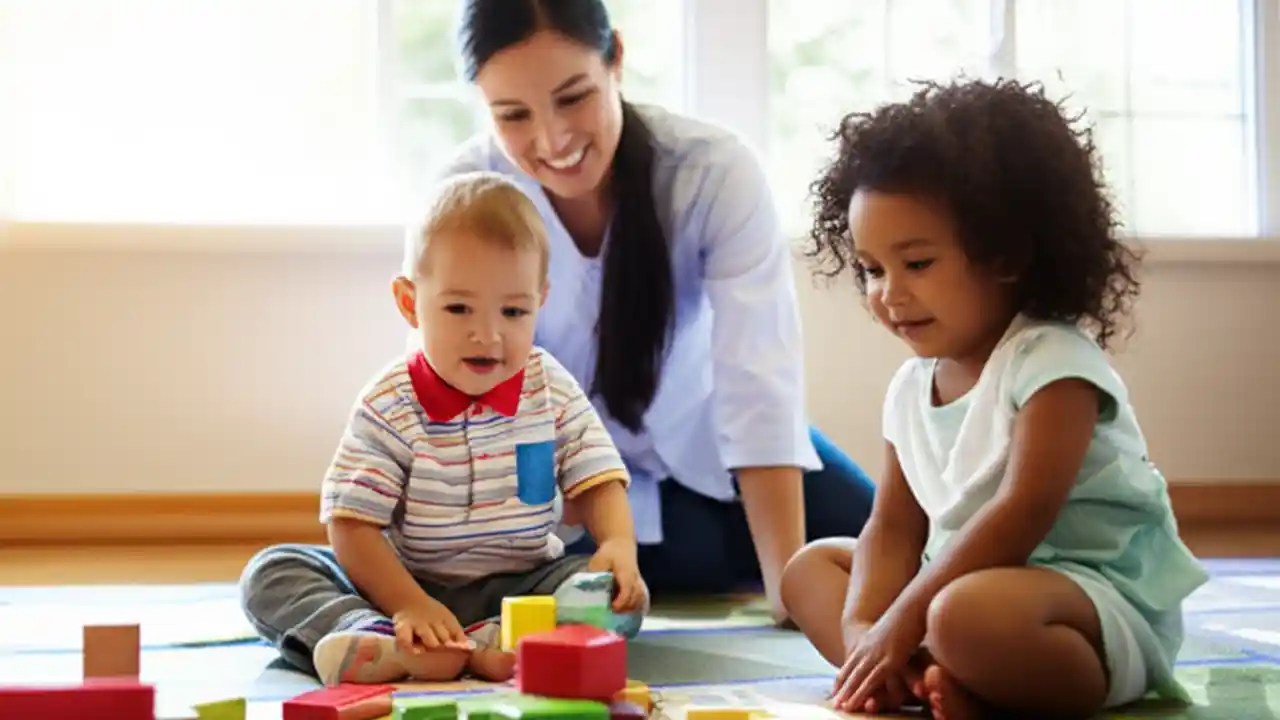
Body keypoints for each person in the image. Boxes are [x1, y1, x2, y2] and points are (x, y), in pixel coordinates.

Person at [779, 78, 1209, 719]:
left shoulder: (1052, 364)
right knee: (809, 572)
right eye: (871, 269)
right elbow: (893, 525)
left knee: (959, 615)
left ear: (1004, 256)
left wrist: (904, 618)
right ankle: (926, 679)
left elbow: (1022, 512)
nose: (888, 294)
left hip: (1081, 599)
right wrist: (865, 625)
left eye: (917, 264)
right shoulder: (908, 391)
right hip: (957, 585)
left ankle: (970, 674)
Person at [442, 0, 877, 621]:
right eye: (513, 114)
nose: (552, 139)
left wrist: (789, 585)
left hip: (713, 436)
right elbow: (460, 388)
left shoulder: (712, 171)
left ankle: (711, 551)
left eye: (573, 98)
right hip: (569, 476)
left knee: (889, 544)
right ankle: (696, 551)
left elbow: (758, 384)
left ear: (616, 58)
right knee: (637, 567)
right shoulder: (466, 194)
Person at [238, 172, 647, 686]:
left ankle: (495, 640)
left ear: (540, 301)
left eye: (514, 311)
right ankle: (375, 633)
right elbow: (351, 523)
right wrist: (409, 603)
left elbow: (596, 476)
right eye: (458, 308)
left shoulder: (550, 387)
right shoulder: (389, 404)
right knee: (271, 572)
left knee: (618, 591)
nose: (488, 334)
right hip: (403, 580)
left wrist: (620, 544)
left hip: (525, 584)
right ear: (411, 303)